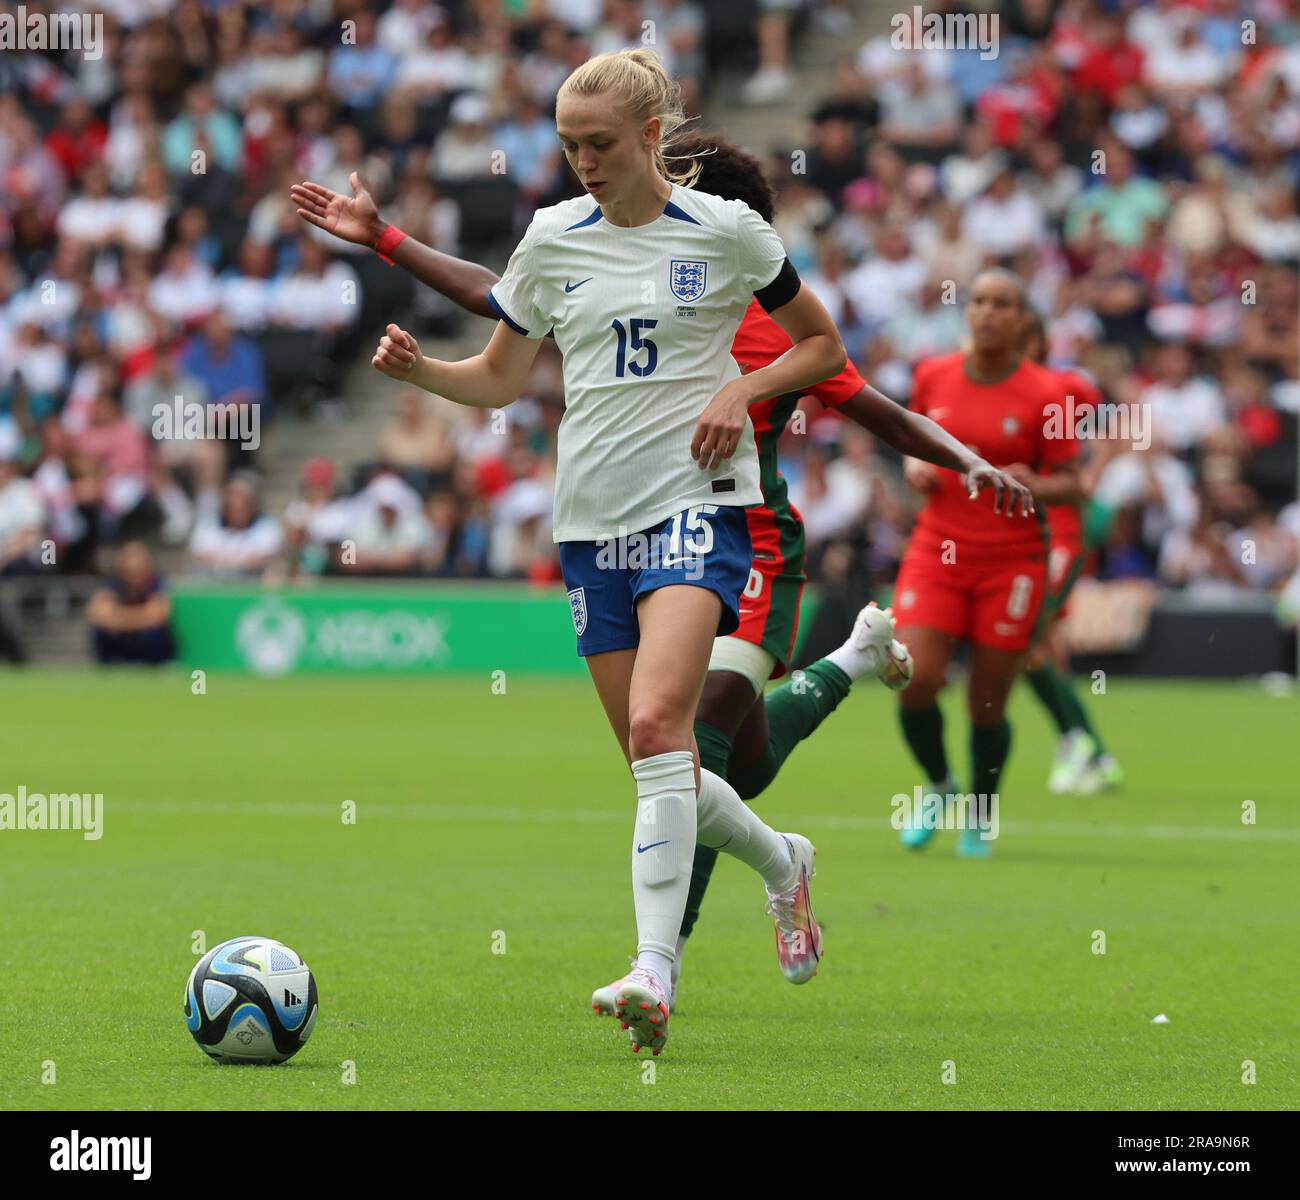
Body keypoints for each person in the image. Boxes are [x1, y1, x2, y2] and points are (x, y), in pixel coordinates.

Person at [294, 130, 1034, 1007]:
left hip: (749, 537)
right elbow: (506, 303)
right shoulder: (607, 268)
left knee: (693, 737)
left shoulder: (755, 306)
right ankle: (837, 696)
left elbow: (877, 407)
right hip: (620, 527)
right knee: (717, 765)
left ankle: (660, 959)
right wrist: (388, 241)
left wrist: (969, 461)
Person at [364, 48, 852, 1058]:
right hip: (590, 523)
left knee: (655, 722)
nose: (582, 161)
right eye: (567, 145)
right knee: (654, 761)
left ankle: (651, 970)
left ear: (648, 136)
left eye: (599, 143)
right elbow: (500, 381)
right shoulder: (550, 239)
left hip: (697, 508)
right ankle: (781, 861)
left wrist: (738, 391)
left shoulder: (724, 232)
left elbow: (820, 348)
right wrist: (422, 376)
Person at [894, 270, 1081, 857]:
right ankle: (942, 785)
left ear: (1022, 319)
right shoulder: (933, 374)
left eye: (1003, 303)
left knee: (987, 699)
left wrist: (1035, 483)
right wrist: (912, 469)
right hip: (937, 550)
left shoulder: (1048, 393)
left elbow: (1074, 484)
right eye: (978, 301)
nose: (988, 312)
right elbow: (910, 440)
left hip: (1011, 562)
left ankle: (980, 810)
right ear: (965, 311)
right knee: (914, 680)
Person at [1018, 311, 1123, 795]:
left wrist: (1088, 481)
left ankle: (1076, 740)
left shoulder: (1066, 386)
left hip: (1058, 534)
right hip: (1013, 537)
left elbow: (1112, 432)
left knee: (1024, 641)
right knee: (1046, 650)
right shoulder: (987, 387)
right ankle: (1094, 753)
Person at [86, 540, 176, 665]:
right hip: (120, 643)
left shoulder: (158, 583)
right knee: (102, 633)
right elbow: (97, 614)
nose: (133, 566)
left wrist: (118, 618)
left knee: (155, 634)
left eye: (138, 562)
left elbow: (157, 615)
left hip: (151, 650)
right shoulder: (112, 584)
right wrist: (140, 618)